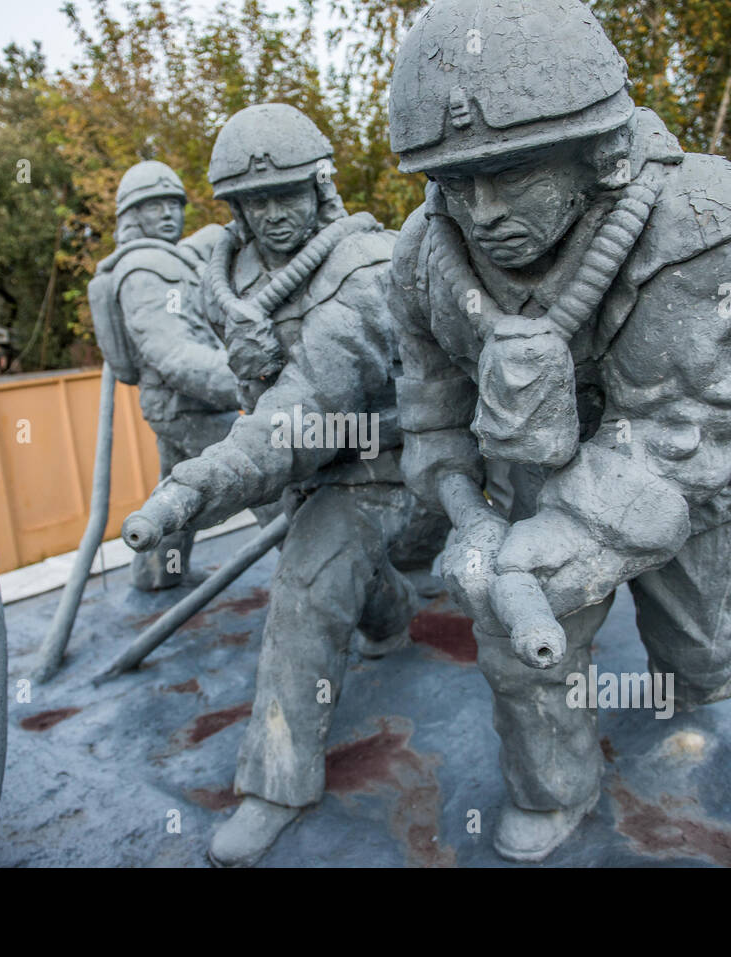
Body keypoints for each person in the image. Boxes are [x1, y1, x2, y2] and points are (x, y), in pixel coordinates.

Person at [386, 0, 731, 861]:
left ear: (595, 152)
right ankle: (552, 787)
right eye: (458, 183)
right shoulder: (422, 258)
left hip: (681, 475)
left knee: (705, 667)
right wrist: (472, 518)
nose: (484, 210)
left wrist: (568, 535)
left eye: (516, 173)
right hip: (527, 483)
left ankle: (693, 665)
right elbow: (432, 416)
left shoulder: (707, 221)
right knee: (517, 622)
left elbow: (687, 427)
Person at [122, 104, 446, 866]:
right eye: (254, 202)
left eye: (287, 196)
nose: (272, 216)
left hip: (377, 457)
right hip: (297, 459)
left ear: (319, 190)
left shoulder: (363, 268)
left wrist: (186, 493)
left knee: (302, 596)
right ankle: (390, 616)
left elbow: (300, 417)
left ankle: (275, 784)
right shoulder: (228, 277)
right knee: (337, 572)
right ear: (232, 208)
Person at [88, 161, 240, 590]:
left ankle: (156, 574)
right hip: (183, 404)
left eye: (174, 204)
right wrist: (245, 382)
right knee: (264, 475)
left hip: (183, 403)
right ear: (133, 216)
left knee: (178, 490)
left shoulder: (170, 259)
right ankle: (309, 575)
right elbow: (170, 352)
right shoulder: (144, 270)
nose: (170, 214)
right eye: (155, 206)